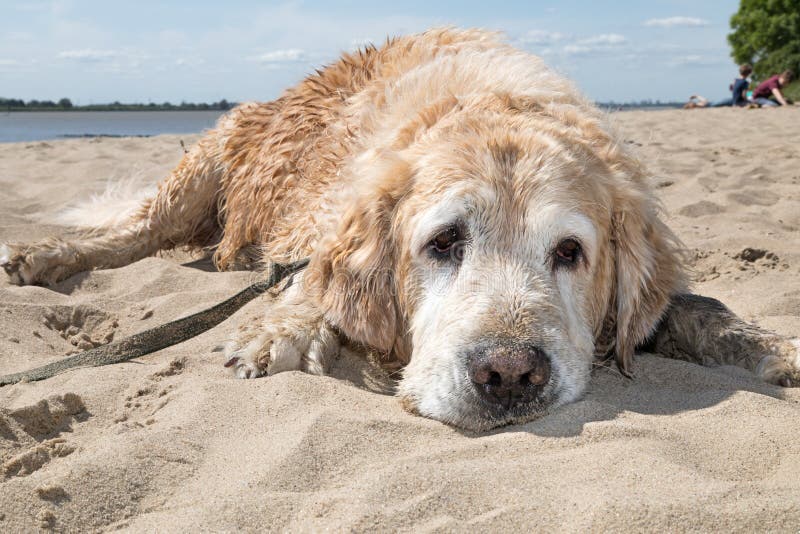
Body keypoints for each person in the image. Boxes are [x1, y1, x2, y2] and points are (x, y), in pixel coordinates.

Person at [683, 64, 753, 108]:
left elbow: (732, 89)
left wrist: (697, 96)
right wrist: (748, 100)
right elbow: (744, 95)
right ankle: (696, 103)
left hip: (733, 100)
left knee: (713, 103)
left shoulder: (735, 80)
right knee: (711, 104)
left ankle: (697, 98)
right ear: (748, 74)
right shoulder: (745, 82)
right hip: (737, 102)